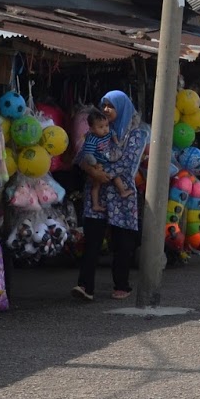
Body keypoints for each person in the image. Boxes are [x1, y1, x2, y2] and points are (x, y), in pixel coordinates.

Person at [71, 90, 150, 299]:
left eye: (111, 106)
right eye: (104, 105)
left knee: (122, 243)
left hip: (121, 194)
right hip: (97, 191)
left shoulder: (136, 133)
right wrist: (92, 170)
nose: (106, 110)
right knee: (92, 241)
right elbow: (81, 156)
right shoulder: (97, 129)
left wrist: (103, 173)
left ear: (122, 107)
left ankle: (122, 285)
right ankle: (85, 286)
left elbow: (129, 163)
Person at [77, 105, 128, 215]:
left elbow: (112, 133)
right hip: (98, 164)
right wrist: (94, 166)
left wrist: (115, 140)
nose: (105, 129)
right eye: (101, 127)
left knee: (114, 176)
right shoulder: (91, 139)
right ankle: (95, 205)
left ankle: (123, 192)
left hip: (106, 161)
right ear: (91, 129)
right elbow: (87, 155)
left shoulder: (108, 132)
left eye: (106, 126)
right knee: (96, 185)